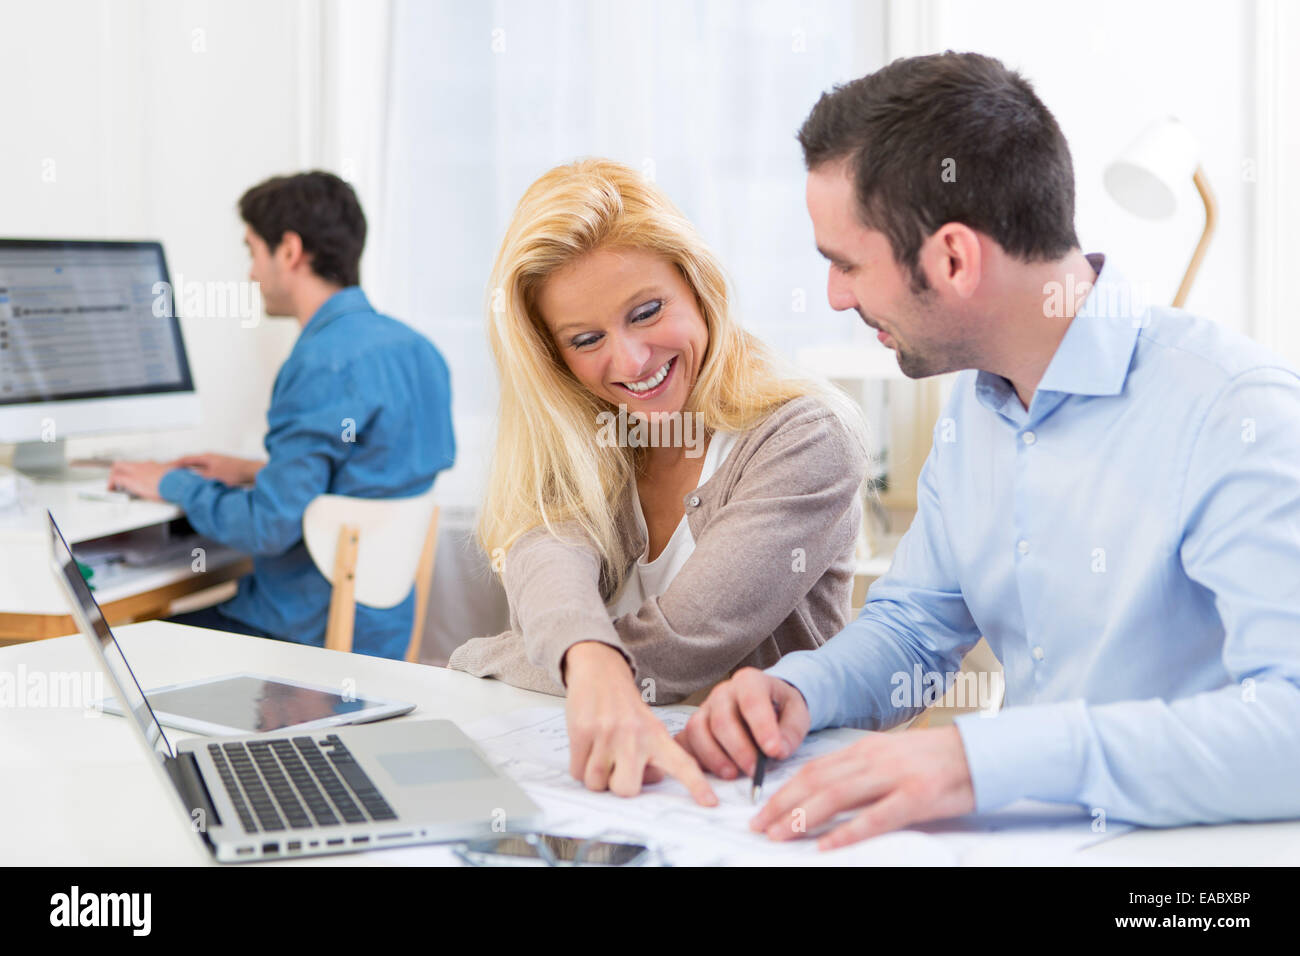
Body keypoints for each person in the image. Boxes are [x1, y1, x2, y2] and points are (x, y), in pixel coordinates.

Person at [678, 51, 1300, 848]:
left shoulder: (1235, 412)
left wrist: (985, 760)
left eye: (845, 264)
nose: (834, 296)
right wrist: (799, 690)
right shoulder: (980, 408)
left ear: (953, 259)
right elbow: (913, 630)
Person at [448, 159, 868, 803]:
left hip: (766, 799)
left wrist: (485, 659)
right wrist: (586, 660)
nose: (632, 361)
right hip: (623, 794)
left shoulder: (805, 436)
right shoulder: (593, 432)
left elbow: (675, 654)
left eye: (646, 311)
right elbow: (545, 560)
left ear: (697, 287)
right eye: (586, 338)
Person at [107, 171, 455, 659]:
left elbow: (269, 527)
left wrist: (169, 483)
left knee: (120, 649)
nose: (251, 272)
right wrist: (253, 471)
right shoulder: (419, 351)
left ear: (289, 251)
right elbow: (368, 479)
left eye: (252, 250)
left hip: (301, 638)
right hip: (380, 638)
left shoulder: (320, 363)